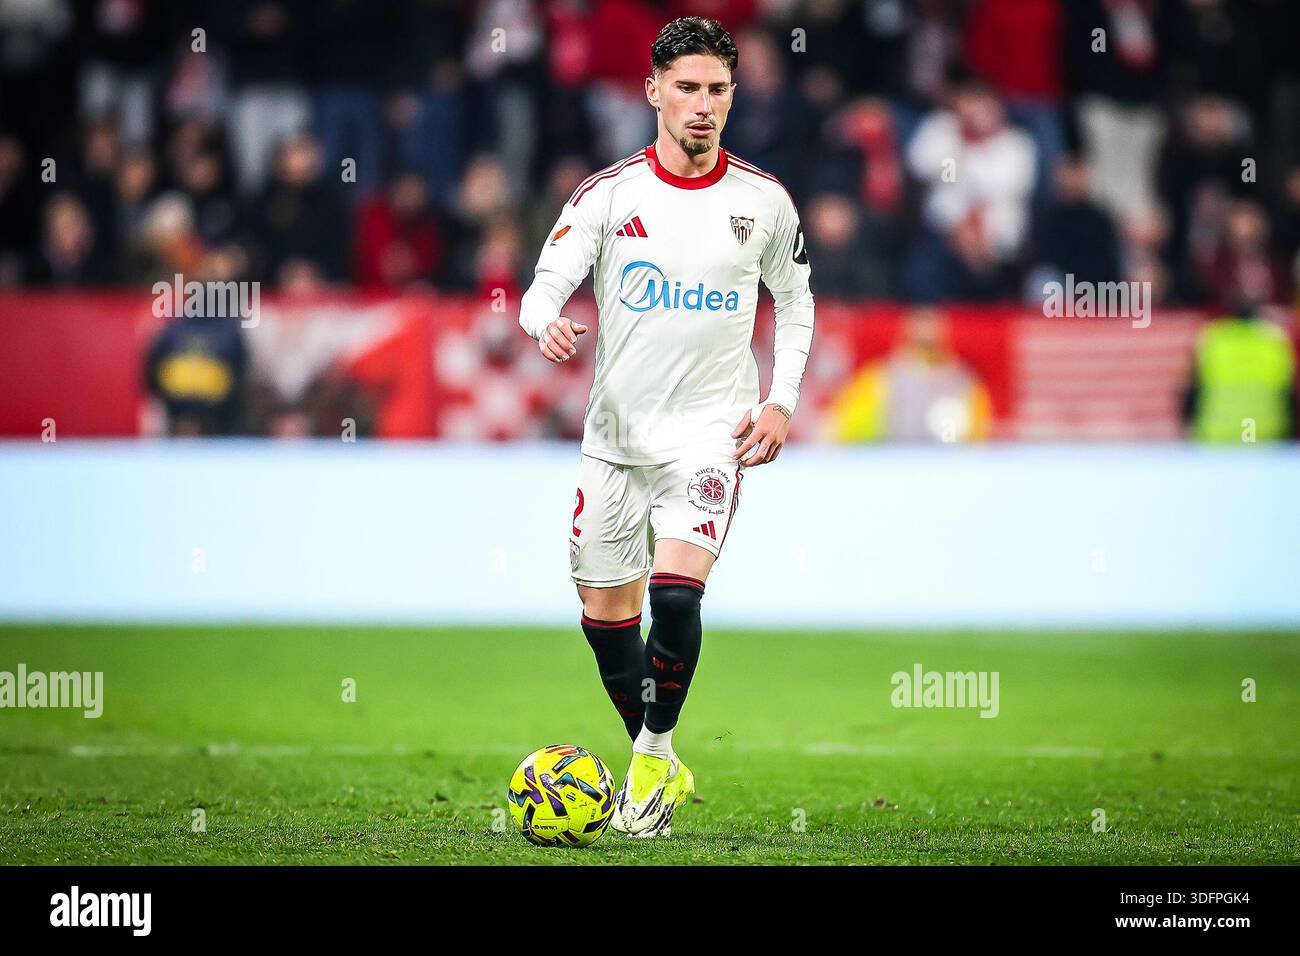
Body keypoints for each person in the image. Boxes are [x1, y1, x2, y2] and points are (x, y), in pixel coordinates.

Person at [516, 17, 814, 837]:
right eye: (687, 87)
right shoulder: (609, 195)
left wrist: (780, 398)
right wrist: (544, 323)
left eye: (718, 89)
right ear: (653, 92)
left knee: (677, 594)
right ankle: (660, 748)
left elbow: (795, 301)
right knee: (607, 627)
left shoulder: (763, 201)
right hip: (615, 440)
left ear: (732, 96)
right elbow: (543, 286)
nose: (703, 105)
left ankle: (649, 758)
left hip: (712, 435)